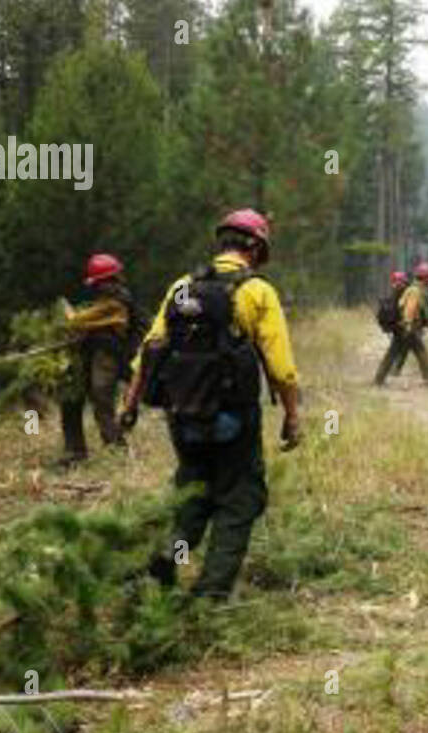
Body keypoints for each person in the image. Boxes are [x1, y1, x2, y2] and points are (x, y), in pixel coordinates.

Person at [121, 208, 300, 600]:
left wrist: (130, 406)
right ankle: (209, 595)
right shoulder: (257, 291)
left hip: (182, 416)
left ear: (223, 242)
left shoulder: (182, 287)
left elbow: (148, 353)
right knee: (240, 500)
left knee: (193, 493)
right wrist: (292, 416)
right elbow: (282, 369)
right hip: (233, 417)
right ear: (254, 247)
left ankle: (166, 564)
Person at [58, 253, 135, 466]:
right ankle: (74, 452)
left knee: (101, 397)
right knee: (70, 399)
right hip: (92, 354)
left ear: (112, 280)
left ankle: (116, 450)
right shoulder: (107, 299)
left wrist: (69, 315)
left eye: (102, 283)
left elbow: (77, 321)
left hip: (108, 356)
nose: (100, 287)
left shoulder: (117, 302)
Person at [374, 260, 428, 385]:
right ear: (425, 277)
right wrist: (408, 325)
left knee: (398, 352)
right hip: (408, 327)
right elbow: (410, 309)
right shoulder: (415, 290)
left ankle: (380, 379)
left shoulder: (417, 289)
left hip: (406, 327)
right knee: (418, 352)